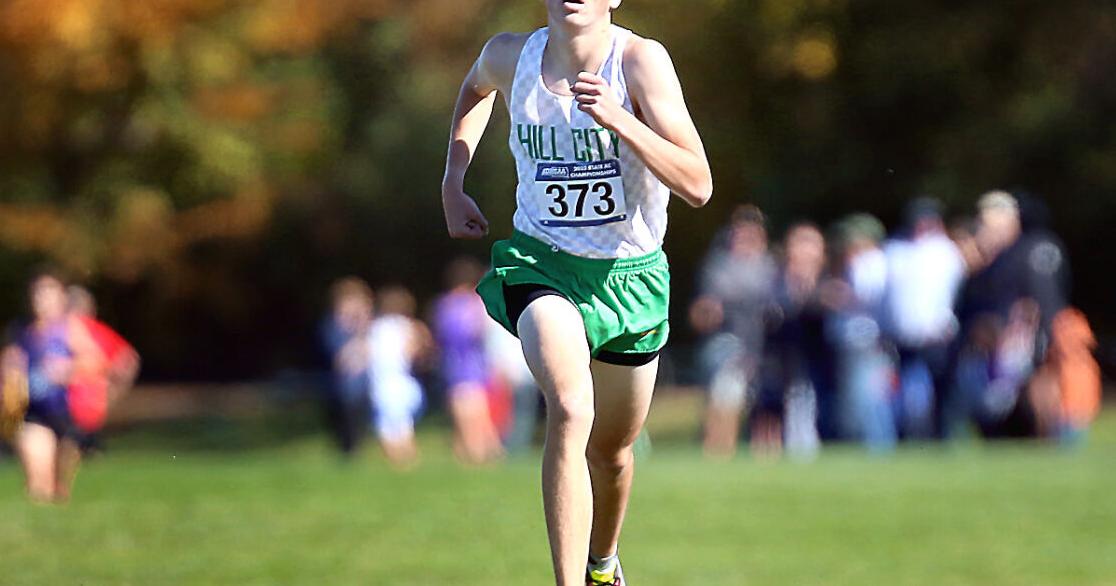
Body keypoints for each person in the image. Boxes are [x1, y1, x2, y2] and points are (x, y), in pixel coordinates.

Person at [440, 1, 712, 583]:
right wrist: (453, 181)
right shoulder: (509, 55)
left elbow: (698, 184)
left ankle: (602, 564)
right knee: (569, 406)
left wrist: (621, 120)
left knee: (612, 454)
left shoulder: (640, 62)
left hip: (629, 278)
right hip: (543, 264)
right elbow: (473, 90)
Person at [689, 205, 776, 458]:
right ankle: (717, 447)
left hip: (762, 344)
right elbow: (708, 305)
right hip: (727, 340)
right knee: (725, 395)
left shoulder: (769, 265)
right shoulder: (720, 265)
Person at [3, 269, 83, 502]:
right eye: (37, 293)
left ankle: (58, 529)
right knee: (39, 481)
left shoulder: (74, 329)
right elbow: (10, 366)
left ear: (62, 296)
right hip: (32, 412)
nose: (42, 299)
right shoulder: (20, 331)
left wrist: (70, 370)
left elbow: (100, 364)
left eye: (48, 292)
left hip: (68, 412)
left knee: (60, 489)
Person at [433, 258, 504, 465]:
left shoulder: (444, 305)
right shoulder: (476, 304)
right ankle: (480, 453)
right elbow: (484, 335)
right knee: (475, 411)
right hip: (474, 364)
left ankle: (475, 453)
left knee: (465, 411)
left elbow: (441, 338)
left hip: (454, 365)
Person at [368, 285, 430, 467]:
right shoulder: (409, 327)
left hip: (384, 383)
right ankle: (407, 462)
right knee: (403, 426)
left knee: (387, 427)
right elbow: (416, 352)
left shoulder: (375, 327)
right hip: (404, 381)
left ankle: (401, 464)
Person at [319, 277, 375, 456]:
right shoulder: (332, 327)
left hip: (368, 388)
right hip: (343, 391)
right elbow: (340, 360)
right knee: (348, 437)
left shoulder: (371, 327)